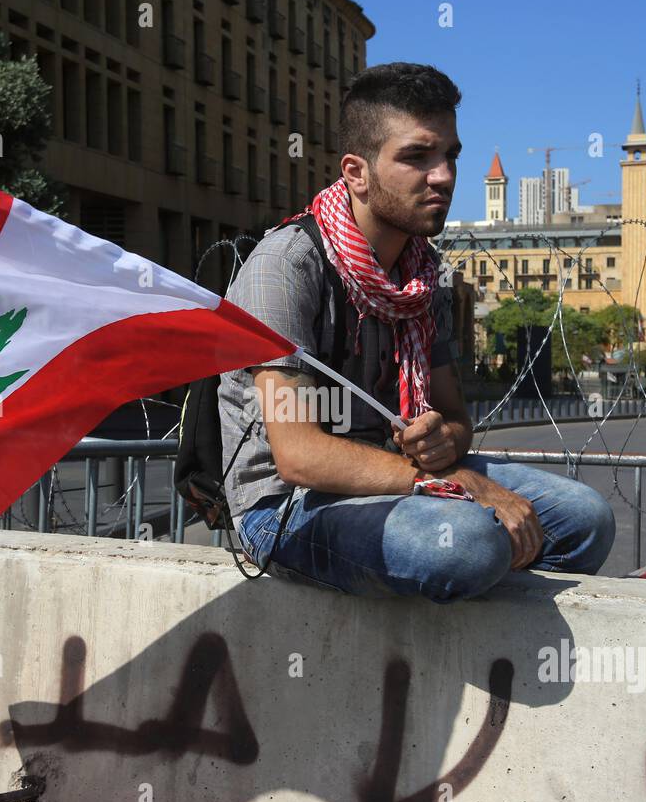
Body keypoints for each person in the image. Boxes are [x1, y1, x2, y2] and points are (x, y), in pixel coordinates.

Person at [216, 63, 616, 603]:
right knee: (469, 544)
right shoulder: (287, 267)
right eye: (416, 157)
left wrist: (443, 441)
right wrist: (453, 483)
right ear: (356, 172)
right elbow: (299, 454)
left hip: (399, 479)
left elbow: (454, 417)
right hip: (290, 506)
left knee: (584, 518)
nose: (444, 176)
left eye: (449, 155)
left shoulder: (427, 278)